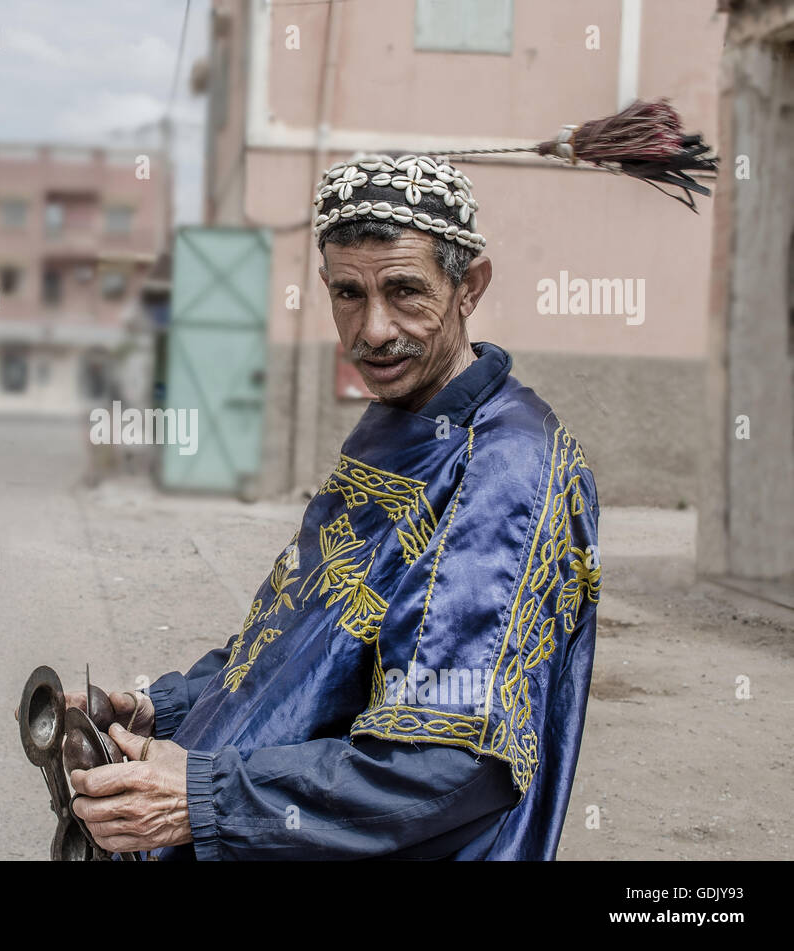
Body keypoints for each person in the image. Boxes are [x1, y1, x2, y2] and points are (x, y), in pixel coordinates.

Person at [67, 153, 602, 860]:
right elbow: (303, 634)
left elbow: (443, 768)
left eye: (406, 290)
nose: (374, 329)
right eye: (349, 293)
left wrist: (201, 797)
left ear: (469, 285)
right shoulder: (398, 419)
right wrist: (162, 706)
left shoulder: (506, 471)